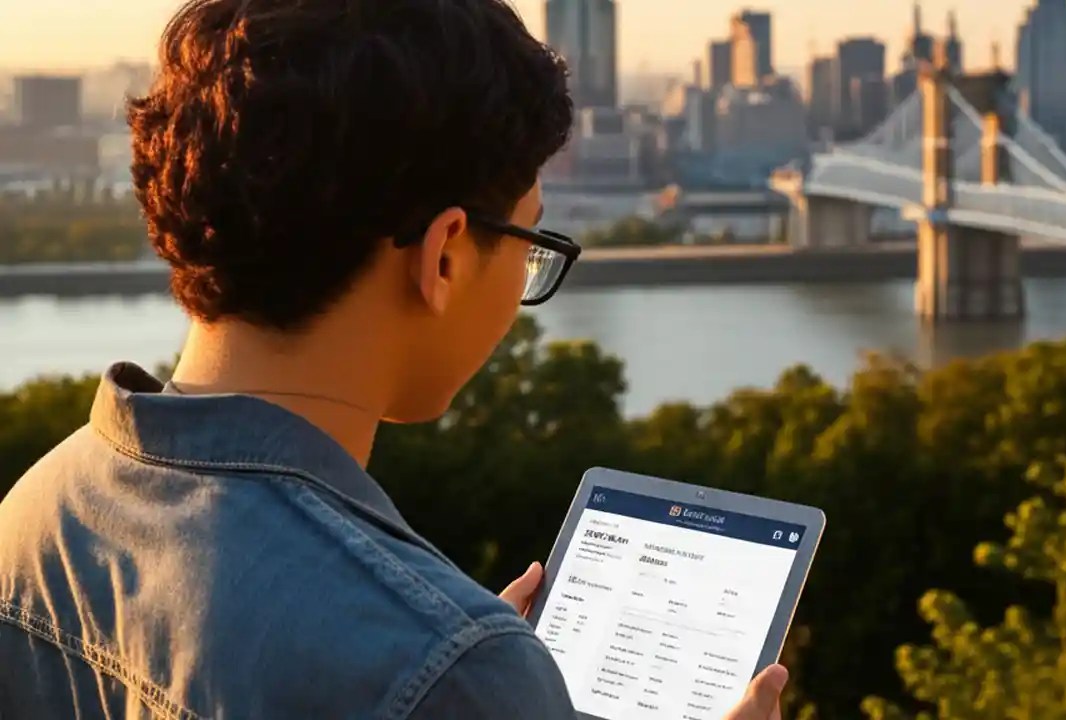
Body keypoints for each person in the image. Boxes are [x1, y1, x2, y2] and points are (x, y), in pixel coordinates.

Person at [0, 0, 791, 718]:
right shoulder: (448, 675)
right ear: (444, 256)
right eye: (530, 243)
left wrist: (453, 641)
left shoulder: (32, 516)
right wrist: (461, 670)